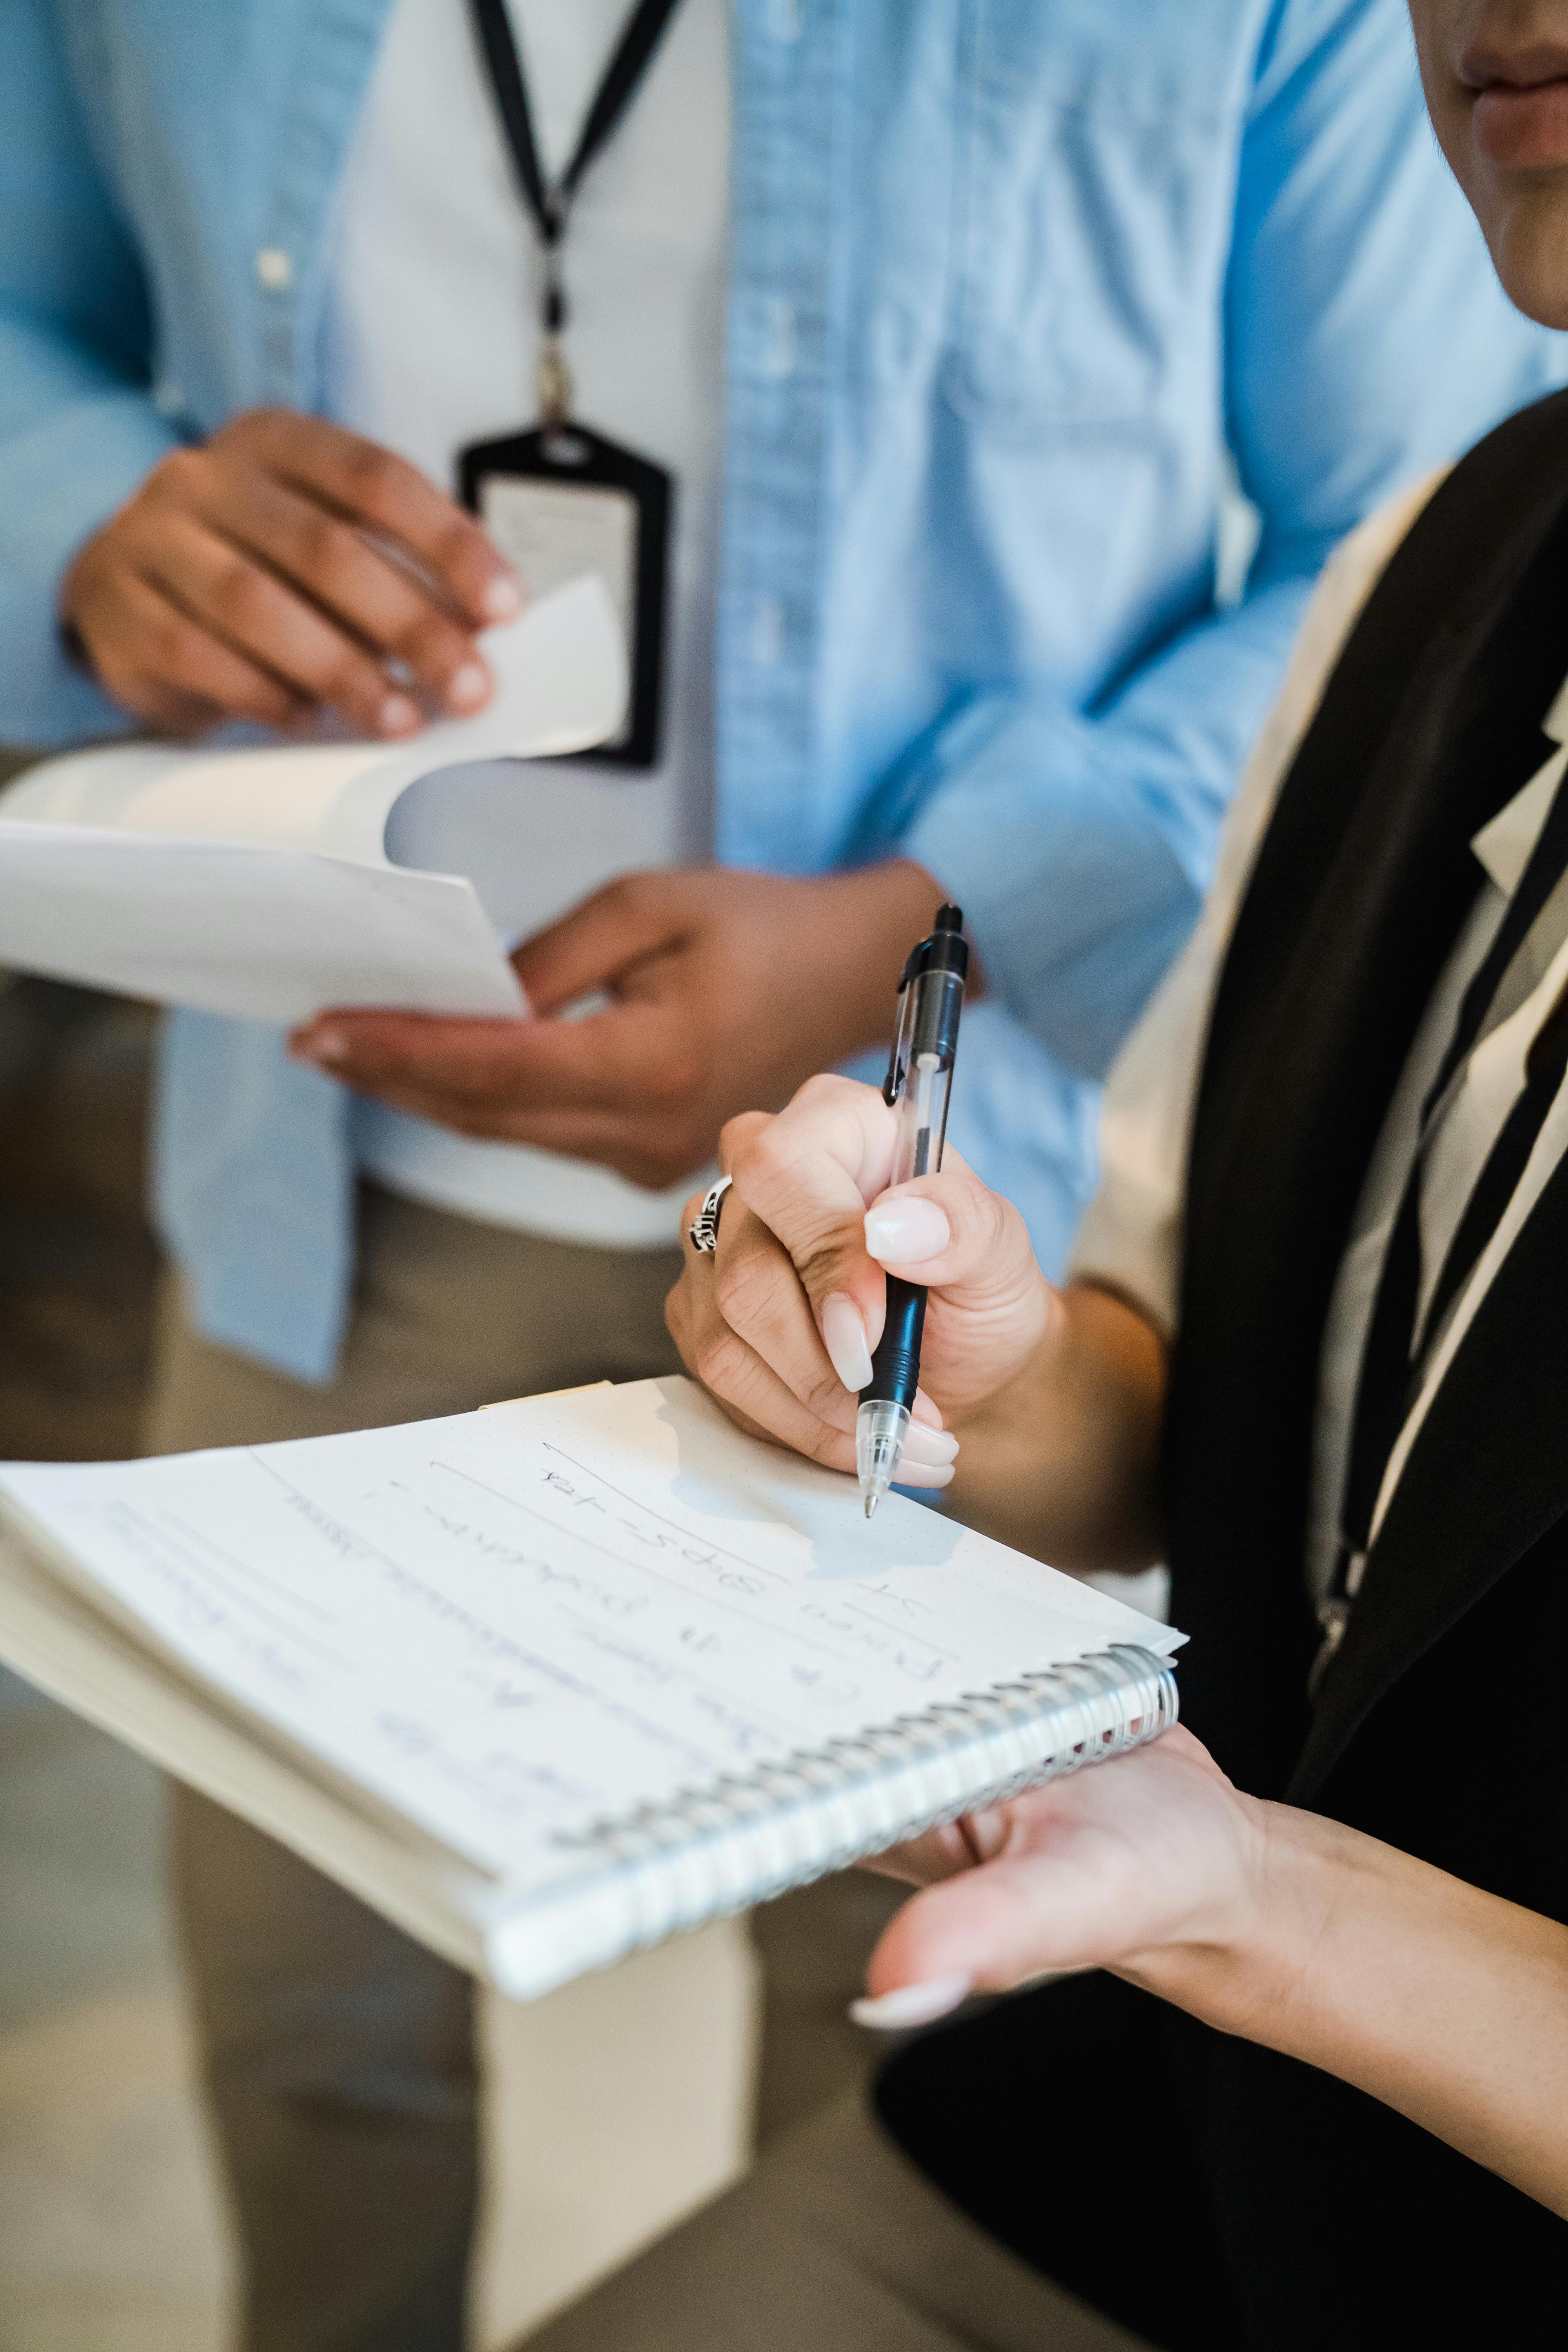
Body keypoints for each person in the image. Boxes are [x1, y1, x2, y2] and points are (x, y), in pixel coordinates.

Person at [1, 2, 1560, 2346]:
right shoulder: (1495, 615)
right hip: (319, 1167)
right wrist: (79, 516)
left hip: (961, 1151)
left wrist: (937, 912)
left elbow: (1393, 486)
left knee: (878, 2010)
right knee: (302, 2023)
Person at [513, 1, 1568, 2342]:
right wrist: (972, 1366)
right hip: (1178, 2130)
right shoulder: (1436, 564)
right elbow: (1176, 1401)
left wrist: (1251, 1906)